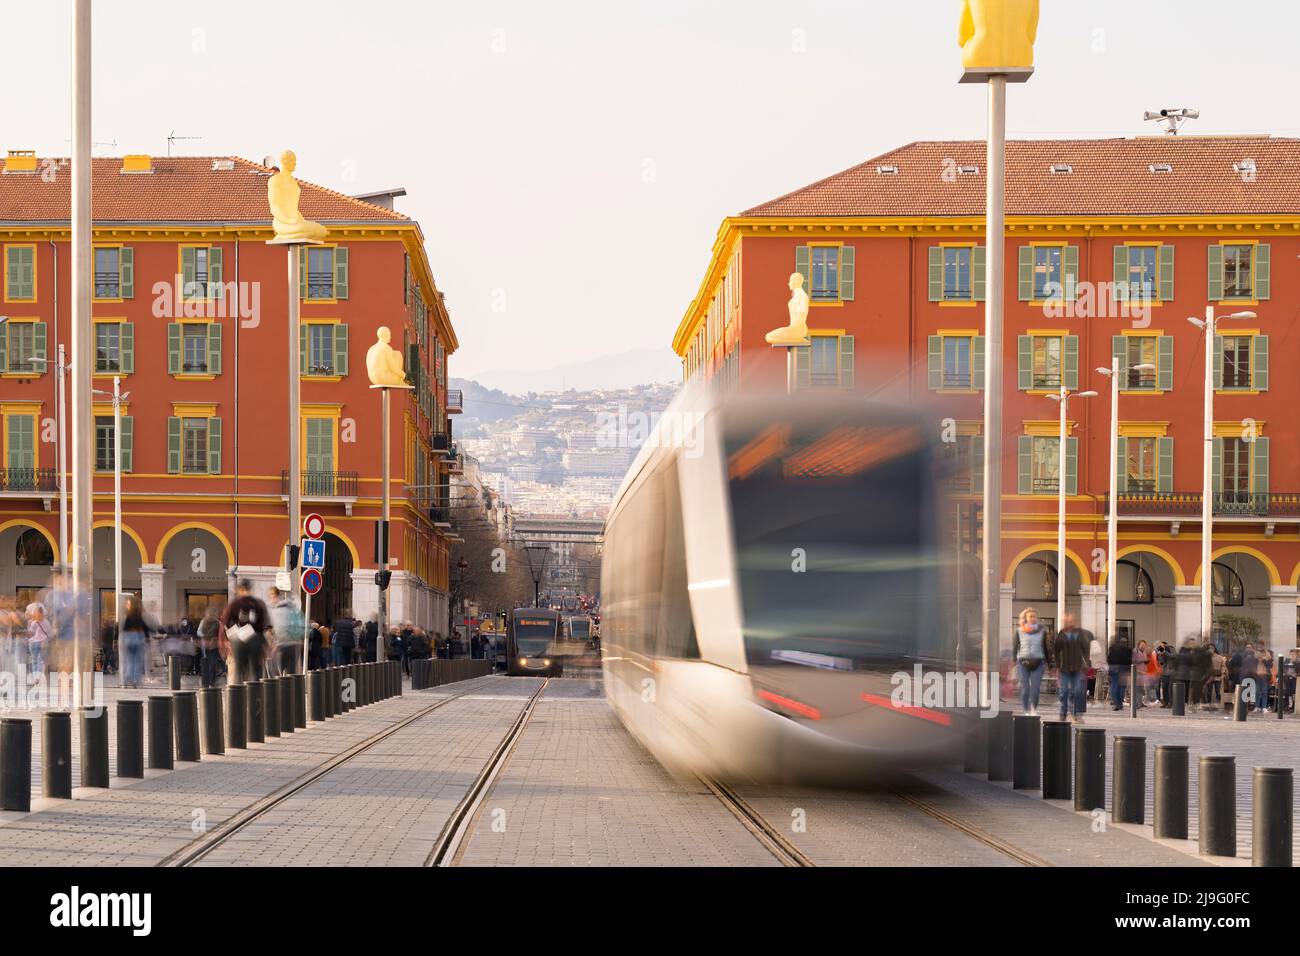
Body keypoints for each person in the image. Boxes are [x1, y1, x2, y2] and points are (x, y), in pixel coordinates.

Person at [222, 579, 270, 684]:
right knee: (256, 671)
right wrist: (265, 645)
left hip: (237, 640)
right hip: (255, 639)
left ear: (240, 589)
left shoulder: (234, 604)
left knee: (238, 670)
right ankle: (255, 697)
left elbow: (224, 623)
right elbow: (263, 626)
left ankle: (238, 697)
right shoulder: (258, 604)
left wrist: (225, 642)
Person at [1012, 607, 1051, 716]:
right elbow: (1015, 647)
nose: (1033, 618)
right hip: (1023, 662)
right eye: (1030, 616)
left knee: (1035, 688)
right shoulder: (1019, 630)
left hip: (1039, 662)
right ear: (1026, 618)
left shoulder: (1042, 631)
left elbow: (1045, 647)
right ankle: (1026, 710)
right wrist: (1013, 661)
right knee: (1025, 688)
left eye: (1034, 616)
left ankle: (1034, 708)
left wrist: (1049, 663)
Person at [1053, 612, 1091, 722]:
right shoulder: (1061, 633)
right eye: (1068, 620)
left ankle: (1075, 713)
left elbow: (1085, 648)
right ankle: (1063, 713)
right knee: (1064, 691)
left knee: (1077, 691)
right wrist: (1057, 665)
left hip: (1077, 666)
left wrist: (1086, 661)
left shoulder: (1080, 632)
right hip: (1064, 667)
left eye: (1072, 620)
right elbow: (1056, 650)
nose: (1070, 622)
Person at [267, 587, 306, 676]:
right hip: (294, 645)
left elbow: (280, 629)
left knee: (275, 673)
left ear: (275, 596)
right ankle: (290, 689)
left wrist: (275, 644)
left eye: (272, 595)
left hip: (282, 646)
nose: (272, 598)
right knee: (291, 673)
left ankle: (279, 689)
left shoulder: (277, 610)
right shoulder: (293, 608)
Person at [120, 596, 154, 689]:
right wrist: (147, 636)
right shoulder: (139, 616)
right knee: (138, 660)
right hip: (138, 637)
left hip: (128, 638)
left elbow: (123, 628)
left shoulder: (128, 615)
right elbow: (145, 627)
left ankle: (129, 677)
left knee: (130, 659)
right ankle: (135, 680)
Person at [196, 605, 224, 689]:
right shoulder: (203, 621)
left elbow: (221, 633)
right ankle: (206, 682)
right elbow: (199, 632)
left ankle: (211, 683)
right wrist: (206, 637)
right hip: (205, 646)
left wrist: (216, 639)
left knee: (213, 665)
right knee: (206, 664)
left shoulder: (218, 623)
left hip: (214, 646)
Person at [1107, 635, 1133, 711]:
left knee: (1114, 686)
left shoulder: (1112, 649)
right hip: (1124, 669)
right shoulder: (1128, 650)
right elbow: (1130, 661)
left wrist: (1109, 672)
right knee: (1122, 687)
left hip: (1114, 668)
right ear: (1126, 643)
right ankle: (1120, 703)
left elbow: (1109, 660)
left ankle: (1116, 703)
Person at [26, 601, 51, 678]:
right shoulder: (46, 622)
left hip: (33, 643)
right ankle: (39, 677)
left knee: (35, 661)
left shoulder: (33, 622)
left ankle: (36, 677)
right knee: (41, 661)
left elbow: (31, 633)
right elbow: (50, 633)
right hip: (42, 642)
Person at [1132, 640, 1150, 707]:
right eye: (1142, 645)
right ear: (1138, 645)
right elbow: (1133, 660)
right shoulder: (1135, 651)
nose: (1143, 646)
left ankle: (1140, 702)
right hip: (1137, 672)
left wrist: (1146, 661)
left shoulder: (1144, 652)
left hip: (1143, 672)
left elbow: (1144, 661)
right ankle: (1136, 703)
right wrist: (1143, 660)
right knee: (1137, 688)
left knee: (1141, 688)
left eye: (1144, 645)